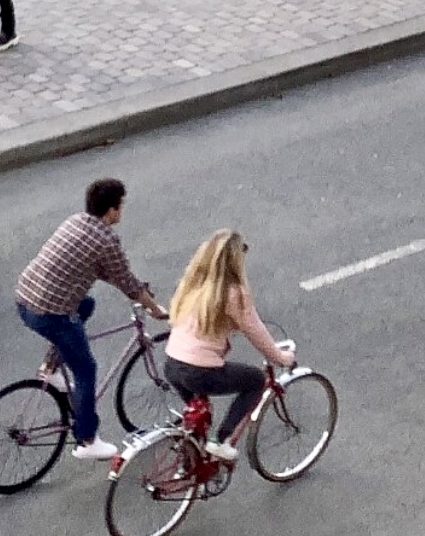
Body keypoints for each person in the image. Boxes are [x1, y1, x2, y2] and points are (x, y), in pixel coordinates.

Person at [15, 179, 170, 462]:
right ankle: (87, 439)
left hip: (25, 299)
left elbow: (104, 271)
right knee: (86, 370)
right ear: (111, 210)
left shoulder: (75, 221)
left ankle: (51, 368)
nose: (122, 210)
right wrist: (154, 309)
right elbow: (126, 281)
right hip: (50, 314)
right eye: (121, 205)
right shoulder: (107, 240)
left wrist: (134, 288)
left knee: (86, 305)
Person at [163, 230, 296, 462]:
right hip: (200, 371)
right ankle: (221, 440)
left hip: (173, 364)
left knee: (199, 417)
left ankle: (191, 464)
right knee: (255, 380)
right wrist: (281, 358)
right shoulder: (233, 293)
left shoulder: (194, 283)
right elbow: (255, 331)